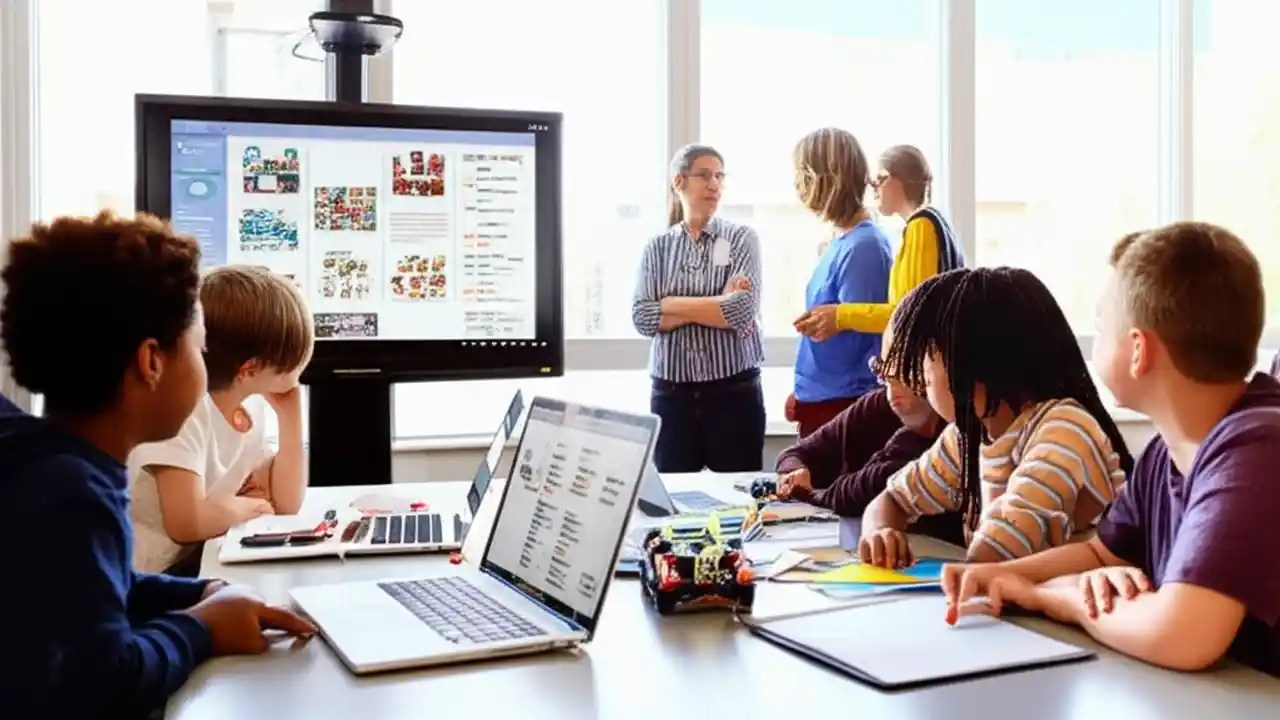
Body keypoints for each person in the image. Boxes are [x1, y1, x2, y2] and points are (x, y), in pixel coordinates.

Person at [0, 212, 314, 718]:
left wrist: (202, 592)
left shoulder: (46, 462)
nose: (206, 360)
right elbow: (108, 682)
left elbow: (103, 584)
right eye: (200, 347)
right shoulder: (72, 497)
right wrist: (202, 626)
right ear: (152, 363)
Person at [941, 223, 1280, 677]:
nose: (1095, 339)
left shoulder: (1254, 448)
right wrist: (1008, 576)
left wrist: (1054, 596)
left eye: (1101, 327)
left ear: (1139, 351)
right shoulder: (1167, 453)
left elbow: (1182, 635)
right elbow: (1104, 554)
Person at [858, 266, 1133, 569]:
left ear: (968, 359)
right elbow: (891, 499)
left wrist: (962, 579)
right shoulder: (966, 437)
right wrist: (880, 531)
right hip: (1020, 607)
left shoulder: (1064, 428)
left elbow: (1000, 551)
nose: (917, 381)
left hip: (1075, 610)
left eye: (923, 360)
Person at [129, 264, 314, 574]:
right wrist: (253, 507)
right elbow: (186, 523)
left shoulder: (248, 409)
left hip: (195, 560)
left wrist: (291, 418)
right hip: (145, 578)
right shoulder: (183, 414)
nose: (300, 371)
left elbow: (285, 504)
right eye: (293, 362)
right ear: (249, 370)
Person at [775, 300, 964, 545]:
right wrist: (794, 474)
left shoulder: (958, 435)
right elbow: (801, 453)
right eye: (884, 371)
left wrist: (809, 494)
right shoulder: (880, 405)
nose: (891, 385)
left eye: (904, 371)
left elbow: (866, 488)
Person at [632, 144, 764, 473]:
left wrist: (671, 305)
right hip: (672, 397)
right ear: (679, 182)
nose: (714, 185)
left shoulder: (742, 238)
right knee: (676, 505)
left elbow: (741, 311)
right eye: (704, 176)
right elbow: (644, 318)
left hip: (733, 393)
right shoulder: (656, 248)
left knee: (738, 500)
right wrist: (717, 302)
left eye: (719, 176)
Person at [795, 144, 965, 342]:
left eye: (880, 179)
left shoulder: (922, 227)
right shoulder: (930, 223)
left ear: (898, 180)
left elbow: (909, 314)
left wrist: (840, 316)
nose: (874, 189)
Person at [788, 128, 892, 437]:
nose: (797, 185)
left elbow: (863, 336)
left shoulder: (865, 247)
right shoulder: (841, 242)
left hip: (844, 407)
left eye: (802, 175)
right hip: (822, 401)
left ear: (823, 178)